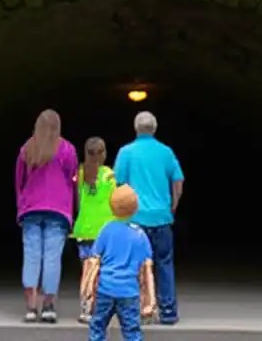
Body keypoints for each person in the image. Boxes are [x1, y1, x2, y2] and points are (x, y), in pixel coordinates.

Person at [113, 111, 184, 325]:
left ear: (136, 128)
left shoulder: (126, 152)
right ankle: (168, 311)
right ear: (155, 128)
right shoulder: (166, 152)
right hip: (161, 217)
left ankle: (137, 310)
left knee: (134, 266)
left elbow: (118, 185)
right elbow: (178, 181)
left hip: (135, 218)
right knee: (164, 263)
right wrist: (173, 204)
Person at [14, 109, 78, 323]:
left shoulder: (27, 149)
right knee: (52, 257)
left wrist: (21, 205)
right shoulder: (67, 149)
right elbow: (72, 180)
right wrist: (73, 209)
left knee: (31, 255)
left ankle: (31, 308)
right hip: (58, 210)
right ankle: (49, 305)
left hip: (31, 209)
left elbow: (19, 181)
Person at [79, 185, 157, 341]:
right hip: (129, 291)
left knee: (97, 328)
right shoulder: (140, 235)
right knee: (131, 332)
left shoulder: (106, 230)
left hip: (105, 289)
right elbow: (146, 269)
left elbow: (94, 259)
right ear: (135, 207)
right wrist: (150, 300)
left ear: (112, 206)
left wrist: (87, 289)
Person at [71, 137, 117, 324]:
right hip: (105, 231)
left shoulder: (79, 174)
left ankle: (85, 308)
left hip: (84, 229)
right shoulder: (110, 175)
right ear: (104, 153)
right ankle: (99, 308)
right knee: (103, 272)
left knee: (88, 270)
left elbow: (77, 201)